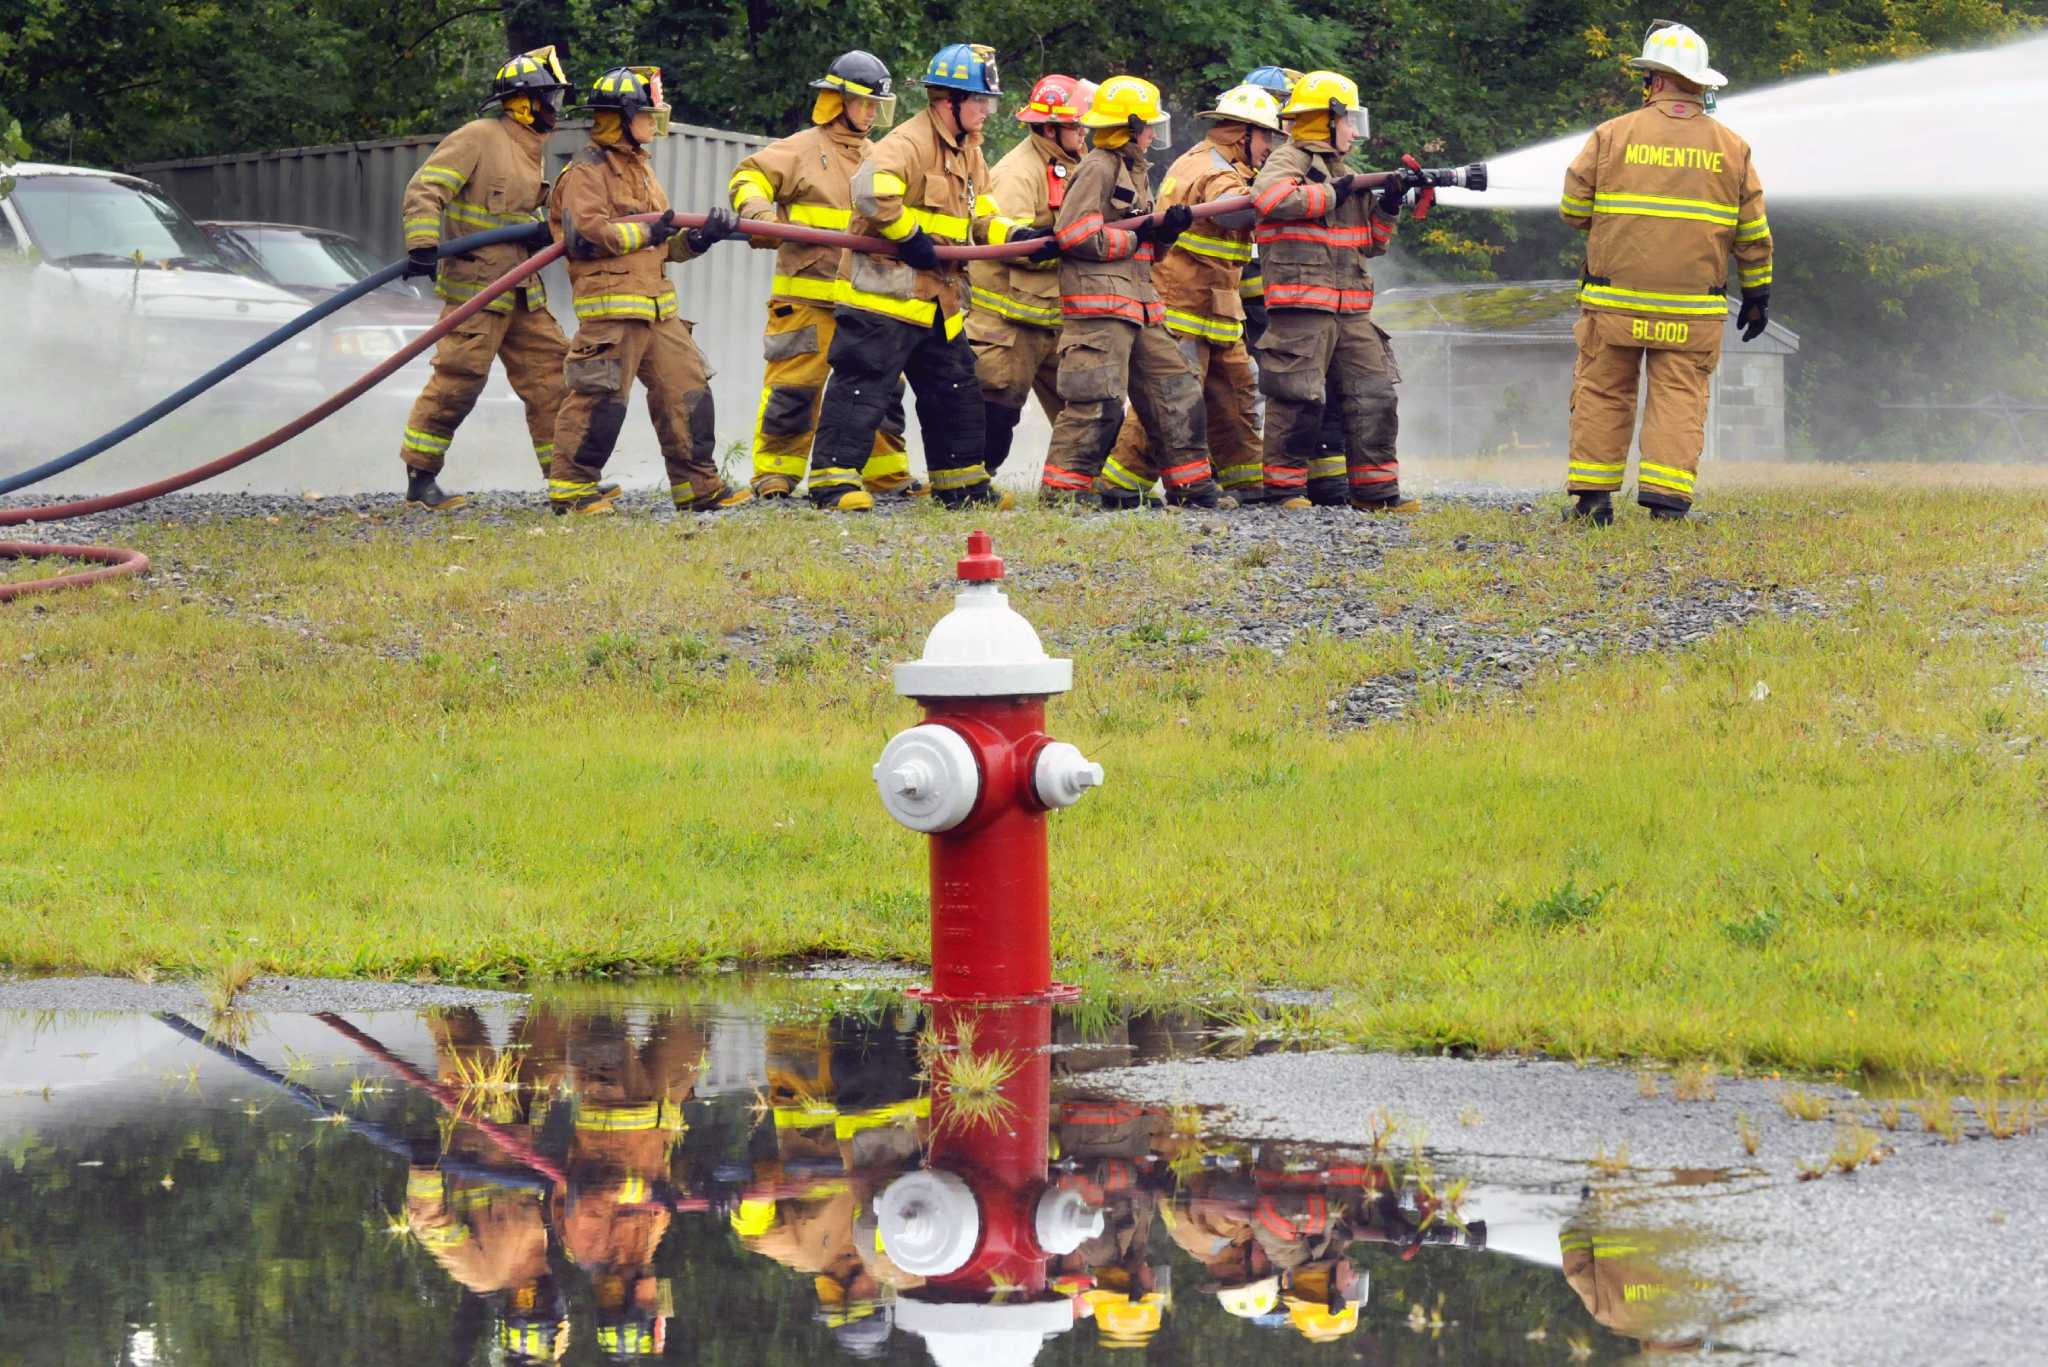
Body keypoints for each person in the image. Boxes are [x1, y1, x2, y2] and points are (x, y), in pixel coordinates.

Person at [1560, 21, 1772, 523]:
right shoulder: (1733, 148)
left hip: (1615, 303)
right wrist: (1759, 295)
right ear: (1701, 84)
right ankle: (1668, 502)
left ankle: (1593, 502)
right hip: (1692, 307)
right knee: (1679, 395)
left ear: (1653, 79)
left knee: (1604, 390)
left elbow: (1572, 209)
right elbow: (1753, 234)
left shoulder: (1611, 135)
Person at [809, 43, 1034, 510]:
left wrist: (1021, 236)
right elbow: (871, 194)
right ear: (947, 100)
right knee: (862, 387)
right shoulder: (909, 142)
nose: (987, 111)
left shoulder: (970, 153)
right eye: (979, 101)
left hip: (938, 300)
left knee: (955, 388)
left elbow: (982, 217)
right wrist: (910, 237)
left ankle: (962, 486)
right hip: (884, 298)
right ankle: (833, 483)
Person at [545, 66, 750, 516]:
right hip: (612, 312)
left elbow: (662, 243)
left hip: (659, 309)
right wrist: (648, 233)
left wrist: (697, 240)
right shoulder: (585, 172)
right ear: (622, 116)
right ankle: (572, 490)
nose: (655, 124)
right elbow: (584, 235)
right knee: (599, 398)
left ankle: (698, 487)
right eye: (648, 115)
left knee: (688, 389)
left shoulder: (642, 171)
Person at [727, 52, 917, 501]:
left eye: (878, 106)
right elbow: (747, 176)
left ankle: (887, 475)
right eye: (865, 103)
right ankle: (775, 475)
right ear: (836, 101)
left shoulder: (879, 156)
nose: (872, 113)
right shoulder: (801, 149)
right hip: (805, 300)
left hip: (863, 300)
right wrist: (758, 214)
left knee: (881, 391)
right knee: (794, 389)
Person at [395, 47, 575, 511]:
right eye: (547, 97)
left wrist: (538, 232)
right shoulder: (478, 136)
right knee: (459, 379)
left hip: (520, 289)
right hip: (476, 288)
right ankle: (421, 478)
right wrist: (421, 245)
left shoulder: (530, 151)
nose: (553, 107)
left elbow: (508, 214)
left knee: (552, 377)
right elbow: (425, 188)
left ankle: (566, 481)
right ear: (522, 101)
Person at [1037, 75, 1222, 509]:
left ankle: (1192, 489)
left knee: (1174, 391)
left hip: (1140, 305)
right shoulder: (1099, 166)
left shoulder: (1135, 169)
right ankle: (1063, 495)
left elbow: (1147, 250)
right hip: (1099, 308)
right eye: (1150, 125)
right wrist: (1137, 239)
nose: (1155, 134)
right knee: (1096, 400)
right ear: (1131, 125)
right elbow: (1074, 232)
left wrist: (1166, 233)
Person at [1098, 82, 1283, 505]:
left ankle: (1248, 482)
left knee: (1235, 395)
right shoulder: (1212, 170)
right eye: (1266, 136)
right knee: (1169, 404)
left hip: (1216, 310)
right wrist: (1279, 194)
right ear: (1243, 134)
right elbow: (1237, 208)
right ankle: (1119, 487)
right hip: (1184, 306)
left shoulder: (1219, 163)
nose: (1270, 147)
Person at [1248, 70, 1408, 510]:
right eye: (1349, 121)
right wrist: (1330, 194)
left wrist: (1390, 205)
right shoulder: (1289, 158)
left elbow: (1372, 243)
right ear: (1327, 119)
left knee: (1374, 395)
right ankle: (1284, 492)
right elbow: (1270, 199)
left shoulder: (1347, 173)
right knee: (1297, 397)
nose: (1355, 131)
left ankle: (1377, 493)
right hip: (1302, 307)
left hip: (1353, 311)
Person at [967, 74, 1092, 475]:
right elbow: (1007, 241)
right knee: (996, 413)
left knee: (1084, 408)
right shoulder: (1017, 172)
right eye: (1076, 124)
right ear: (1049, 127)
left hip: (1058, 320)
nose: (1083, 131)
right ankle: (970, 486)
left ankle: (1078, 487)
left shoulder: (1078, 164)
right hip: (1010, 324)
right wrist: (1068, 248)